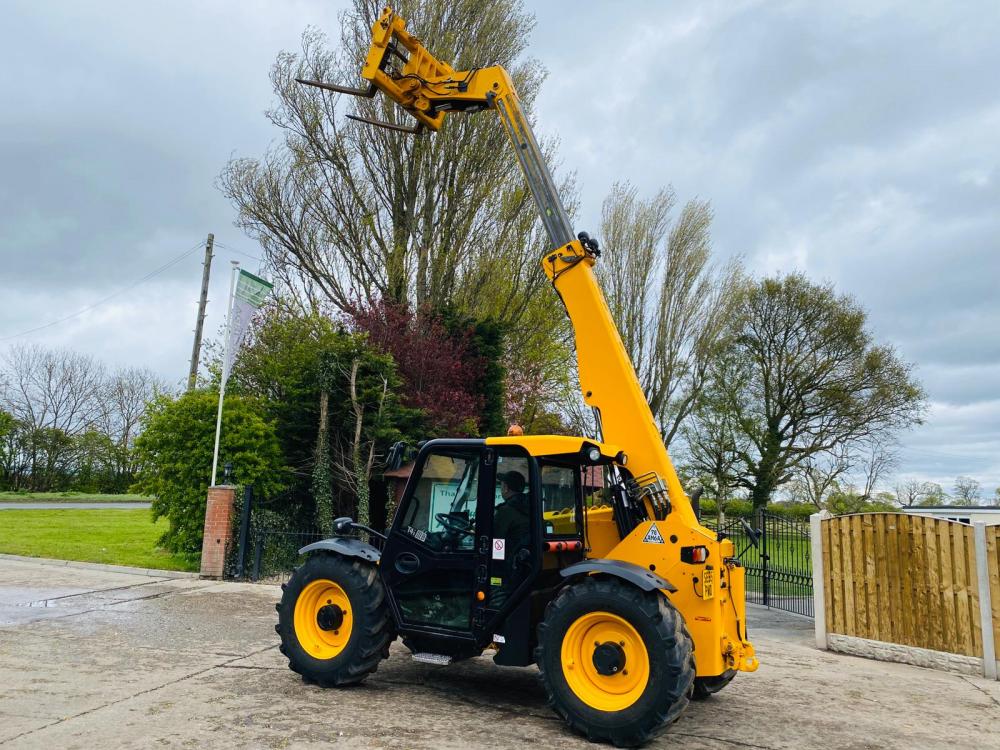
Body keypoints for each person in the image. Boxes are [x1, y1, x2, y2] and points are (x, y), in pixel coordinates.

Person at [492, 470, 530, 607]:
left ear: (506, 488)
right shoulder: (530, 506)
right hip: (522, 563)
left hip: (507, 570)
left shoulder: (506, 511)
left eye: (502, 485)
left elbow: (496, 542)